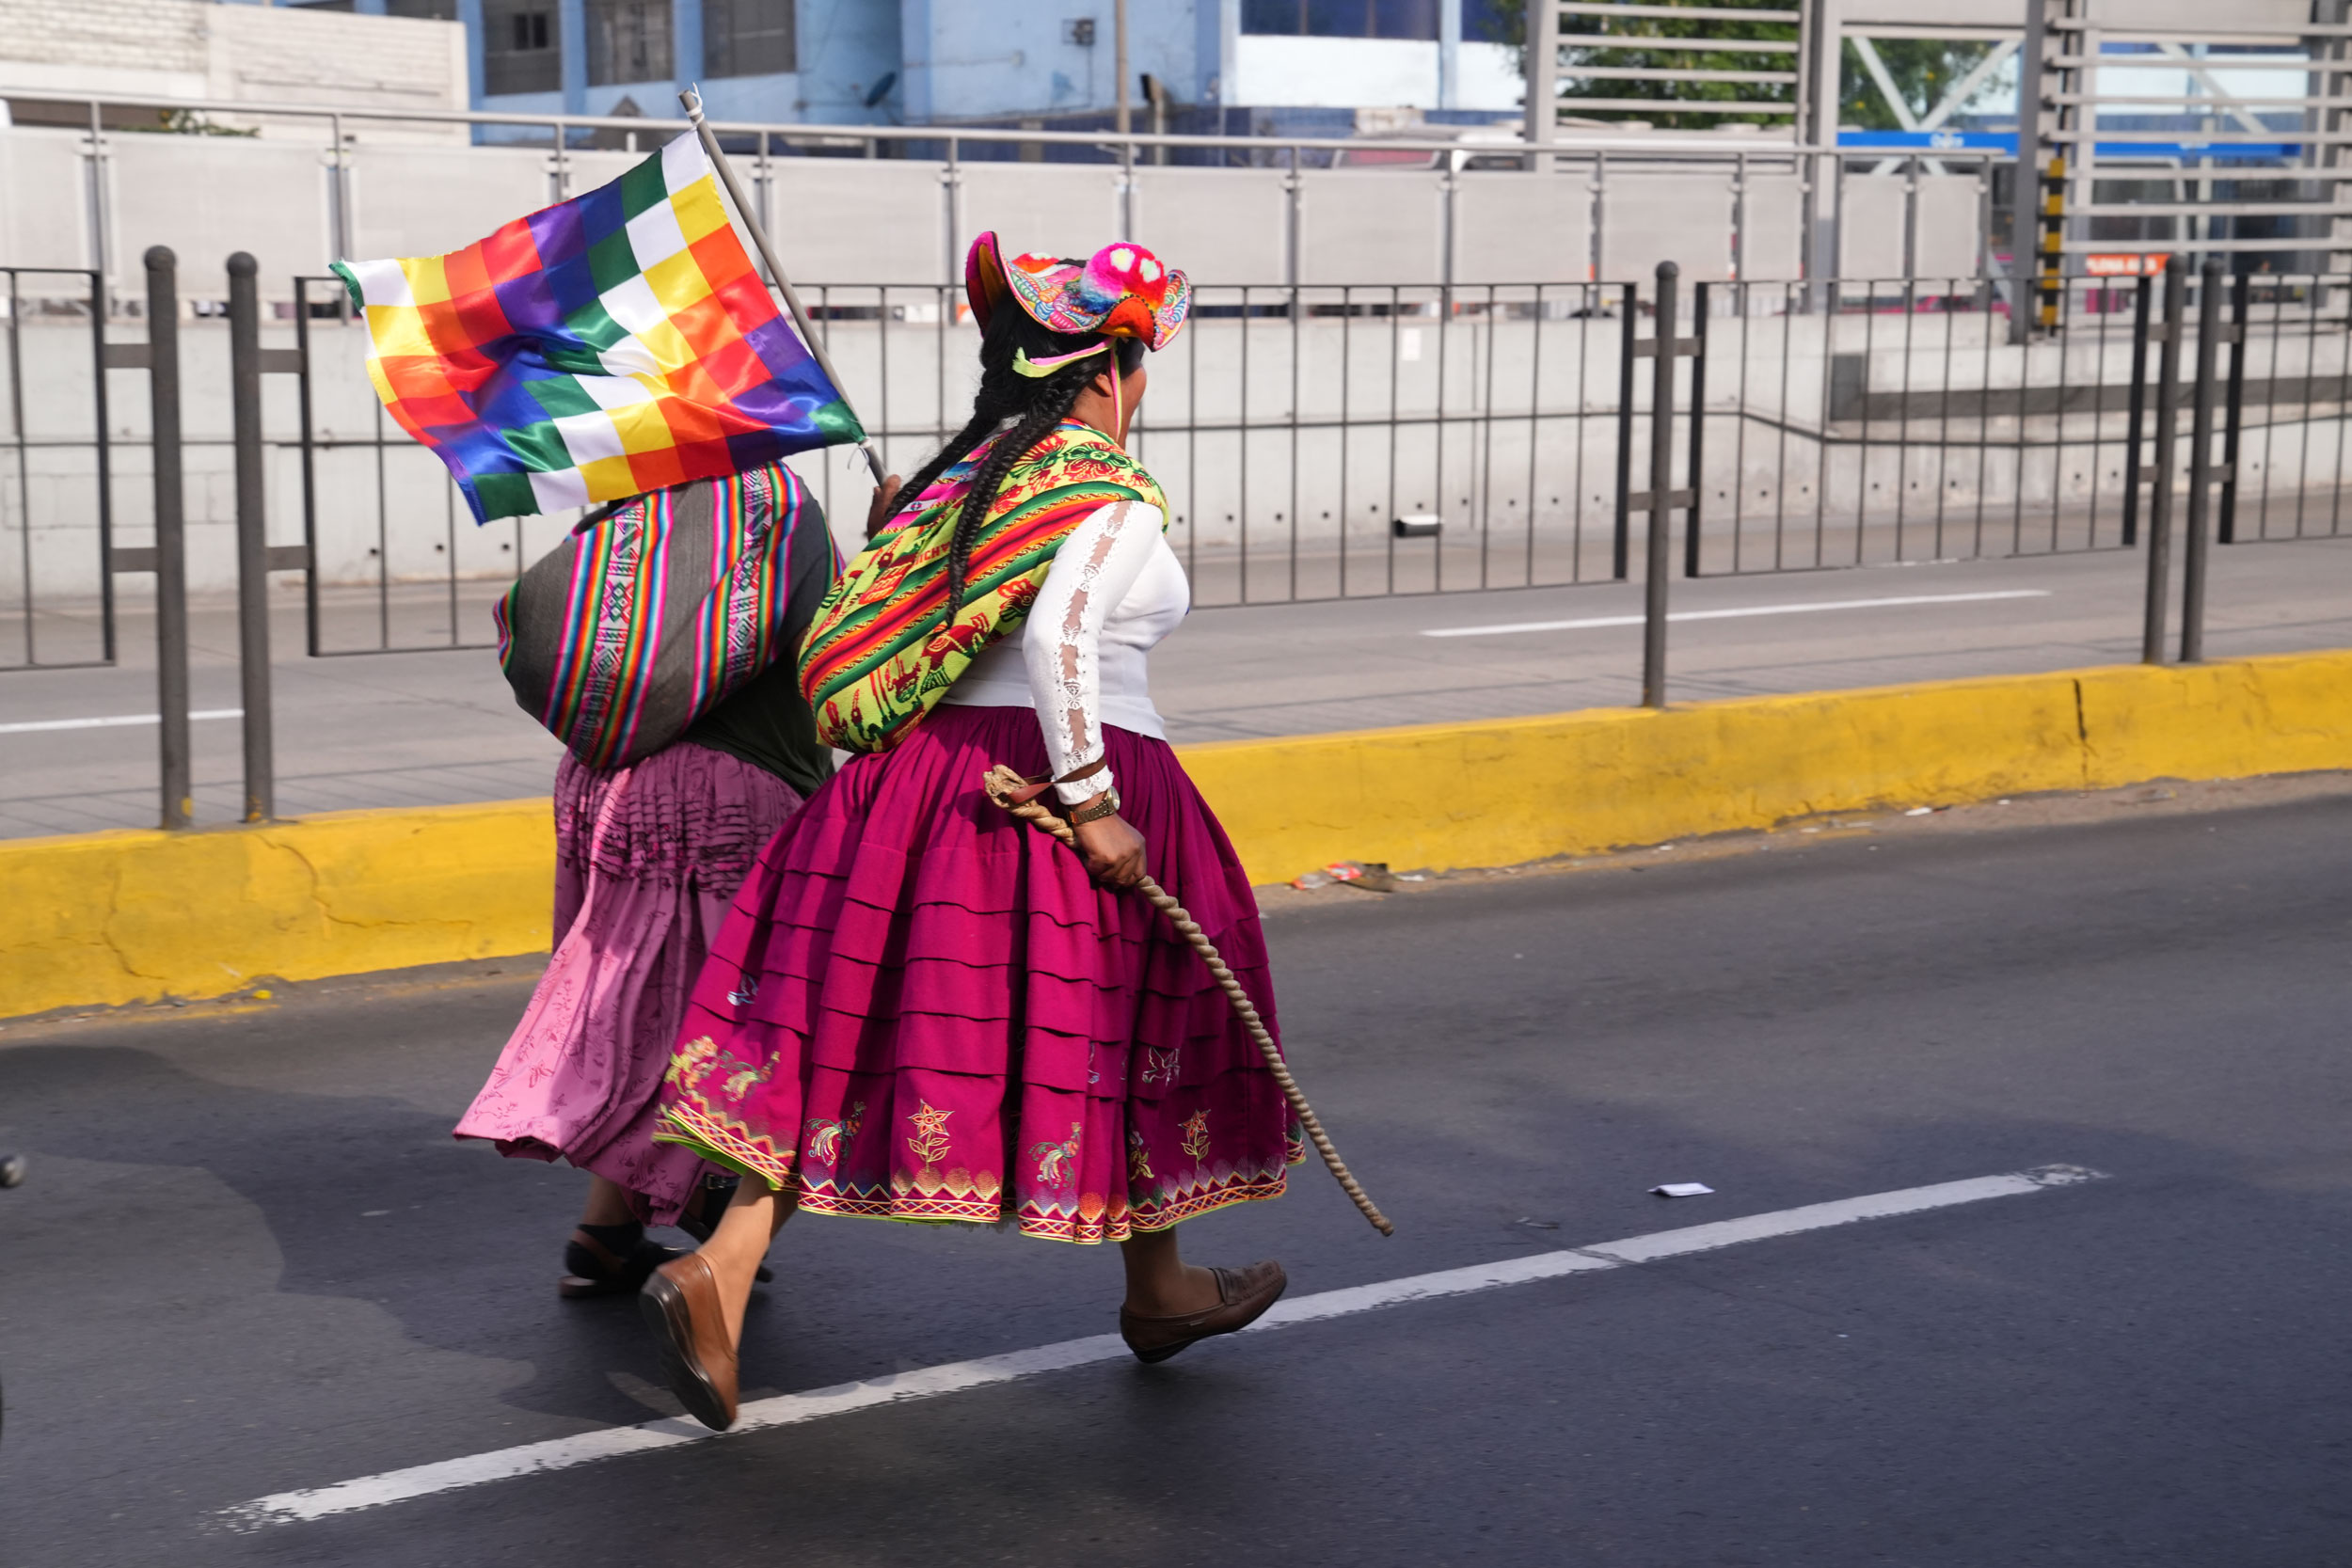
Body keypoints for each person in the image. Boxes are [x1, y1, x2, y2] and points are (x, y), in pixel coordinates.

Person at [635, 235, 1300, 1432]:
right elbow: (1059, 644)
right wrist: (1091, 802)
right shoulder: (1105, 488)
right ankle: (1152, 1285)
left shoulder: (948, 489)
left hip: (912, 788)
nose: (1141, 387)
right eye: (1141, 362)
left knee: (847, 1031)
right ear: (1108, 367)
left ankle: (721, 1271)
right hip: (1060, 780)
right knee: (1139, 1018)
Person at [454, 463, 838, 1297]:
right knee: (750, 1029)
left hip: (609, 793)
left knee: (644, 1010)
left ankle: (607, 1231)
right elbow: (839, 659)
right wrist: (882, 551)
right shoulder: (781, 507)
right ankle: (714, 1227)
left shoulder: (636, 508)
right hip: (729, 792)